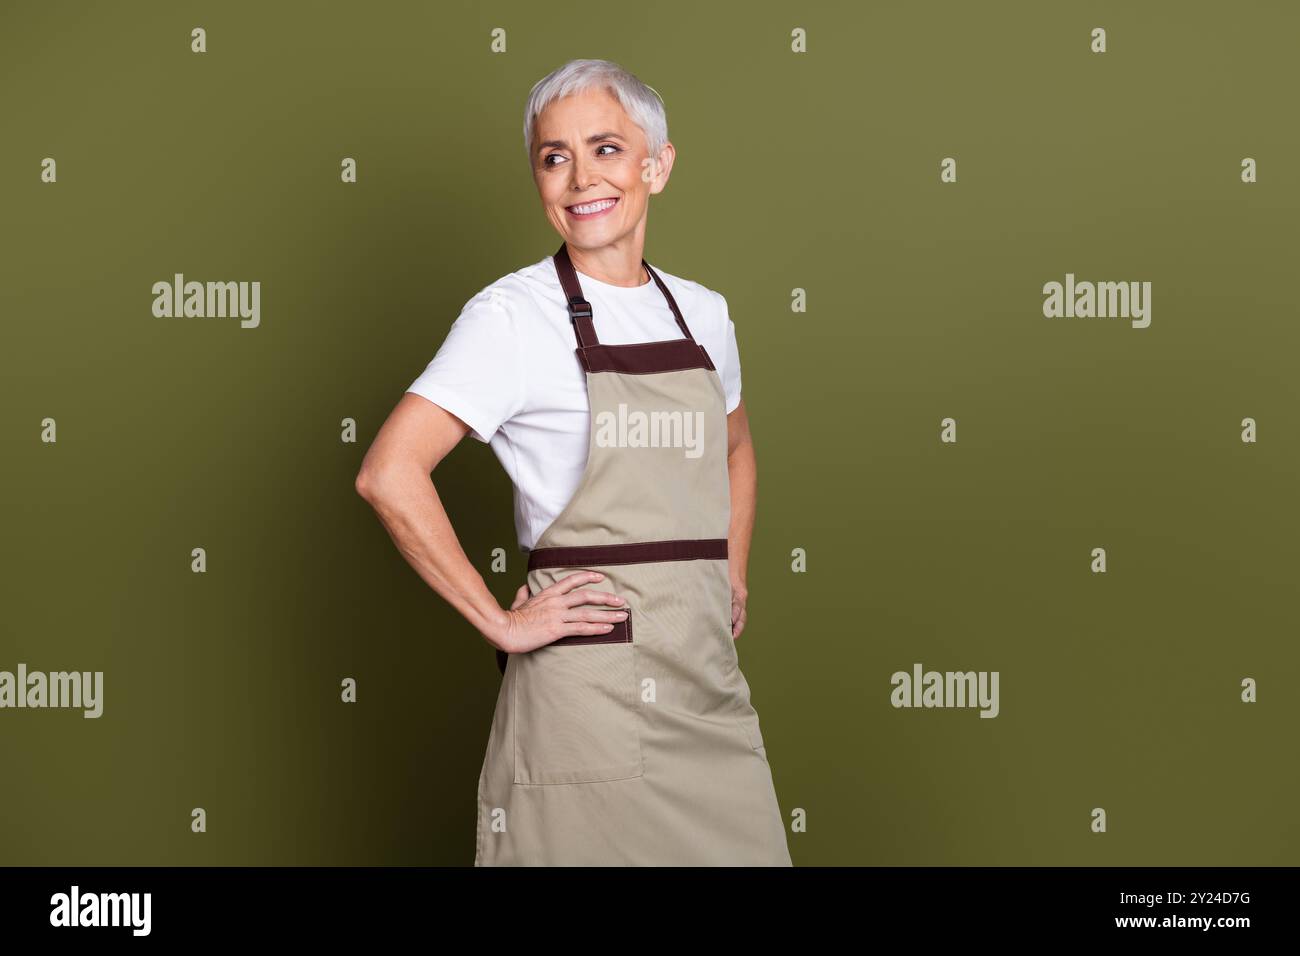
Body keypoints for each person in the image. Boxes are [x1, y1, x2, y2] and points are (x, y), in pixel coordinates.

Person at [355, 58, 791, 866]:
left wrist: (727, 572)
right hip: (584, 699)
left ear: (656, 166)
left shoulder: (702, 314)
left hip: (703, 683)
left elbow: (736, 448)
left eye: (606, 149)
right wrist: (500, 620)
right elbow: (389, 472)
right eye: (555, 157)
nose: (581, 177)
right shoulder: (512, 318)